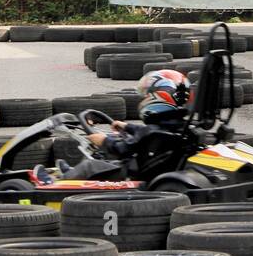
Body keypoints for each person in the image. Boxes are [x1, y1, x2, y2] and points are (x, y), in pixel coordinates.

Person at [53, 70, 192, 179]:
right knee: (107, 163)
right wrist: (127, 126)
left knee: (90, 165)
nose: (144, 98)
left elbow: (122, 148)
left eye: (146, 95)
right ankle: (71, 172)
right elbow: (147, 132)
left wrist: (104, 141)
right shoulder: (182, 128)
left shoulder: (151, 132)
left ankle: (61, 180)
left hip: (133, 174)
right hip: (155, 169)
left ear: (159, 97)